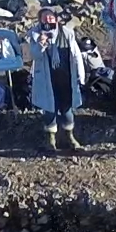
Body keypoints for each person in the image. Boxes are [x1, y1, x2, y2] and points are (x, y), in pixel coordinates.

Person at [26, 8, 87, 153]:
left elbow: (76, 55)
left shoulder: (67, 34)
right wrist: (41, 43)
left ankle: (70, 137)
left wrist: (81, 76)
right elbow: (33, 56)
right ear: (40, 20)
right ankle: (51, 140)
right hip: (47, 80)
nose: (48, 20)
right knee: (49, 110)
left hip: (66, 79)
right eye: (45, 18)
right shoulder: (35, 35)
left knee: (67, 109)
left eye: (51, 17)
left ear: (56, 19)